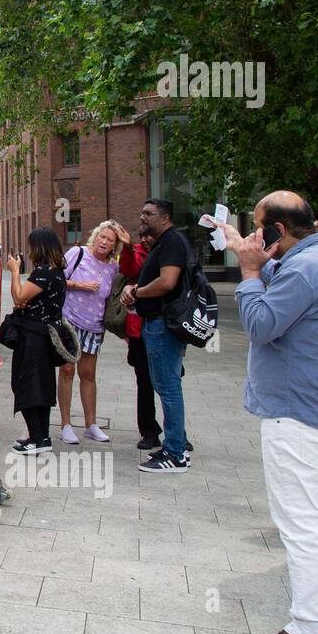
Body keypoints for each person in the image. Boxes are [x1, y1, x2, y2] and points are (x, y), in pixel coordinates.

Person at [222, 191, 318, 634]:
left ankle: (310, 629)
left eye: (259, 226)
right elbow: (291, 291)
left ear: (277, 231)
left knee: (302, 526)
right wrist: (243, 250)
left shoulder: (304, 269)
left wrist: (247, 272)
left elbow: (262, 324)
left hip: (296, 416)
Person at [120, 198, 193, 473]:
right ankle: (174, 444)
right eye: (142, 212)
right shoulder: (164, 242)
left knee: (168, 387)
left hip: (162, 324)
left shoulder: (172, 241)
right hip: (156, 322)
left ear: (165, 218)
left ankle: (176, 453)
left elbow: (167, 282)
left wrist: (137, 292)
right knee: (164, 386)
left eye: (149, 213)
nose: (143, 217)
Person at [57, 220, 125, 444]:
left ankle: (91, 424)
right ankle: (66, 425)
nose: (104, 242)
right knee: (67, 370)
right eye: (101, 236)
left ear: (115, 246)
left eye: (110, 240)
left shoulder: (113, 267)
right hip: (69, 322)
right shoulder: (77, 253)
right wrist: (80, 285)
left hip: (93, 326)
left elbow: (111, 298)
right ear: (94, 237)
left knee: (88, 375)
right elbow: (57, 279)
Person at [5, 227, 67, 454]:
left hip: (33, 337)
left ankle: (37, 438)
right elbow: (27, 299)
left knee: (27, 384)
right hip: (45, 335)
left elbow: (19, 296)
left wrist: (14, 271)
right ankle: (40, 436)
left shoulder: (43, 272)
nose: (28, 251)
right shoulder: (58, 272)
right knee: (41, 385)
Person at [118, 226, 163, 448]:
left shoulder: (168, 252)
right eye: (142, 235)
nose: (145, 239)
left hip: (165, 329)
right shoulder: (137, 253)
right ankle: (149, 431)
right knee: (144, 383)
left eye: (149, 235)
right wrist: (126, 247)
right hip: (139, 331)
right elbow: (128, 267)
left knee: (168, 384)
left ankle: (177, 432)